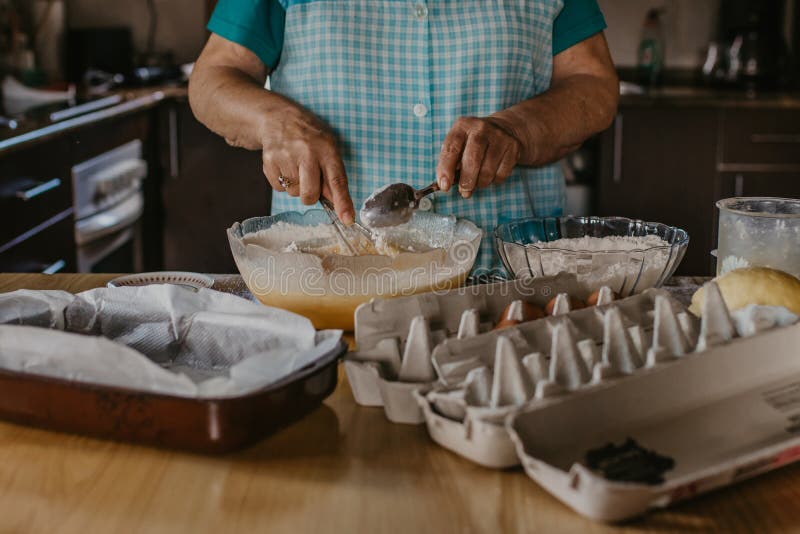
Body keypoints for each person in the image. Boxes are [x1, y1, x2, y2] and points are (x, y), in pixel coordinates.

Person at [189, 0, 619, 275]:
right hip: (323, 280)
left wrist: (518, 129)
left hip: (507, 284)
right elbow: (211, 80)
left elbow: (594, 85)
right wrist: (275, 121)